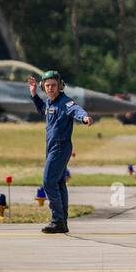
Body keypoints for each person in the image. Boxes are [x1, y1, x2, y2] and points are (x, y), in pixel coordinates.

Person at [27, 70, 92, 233]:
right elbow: (43, 110)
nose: (50, 88)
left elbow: (76, 110)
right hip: (51, 146)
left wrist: (84, 118)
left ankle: (57, 220)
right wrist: (34, 94)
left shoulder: (65, 102)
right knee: (59, 183)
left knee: (48, 182)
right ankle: (62, 221)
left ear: (60, 86)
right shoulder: (49, 102)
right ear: (43, 87)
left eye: (53, 85)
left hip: (60, 146)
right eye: (47, 86)